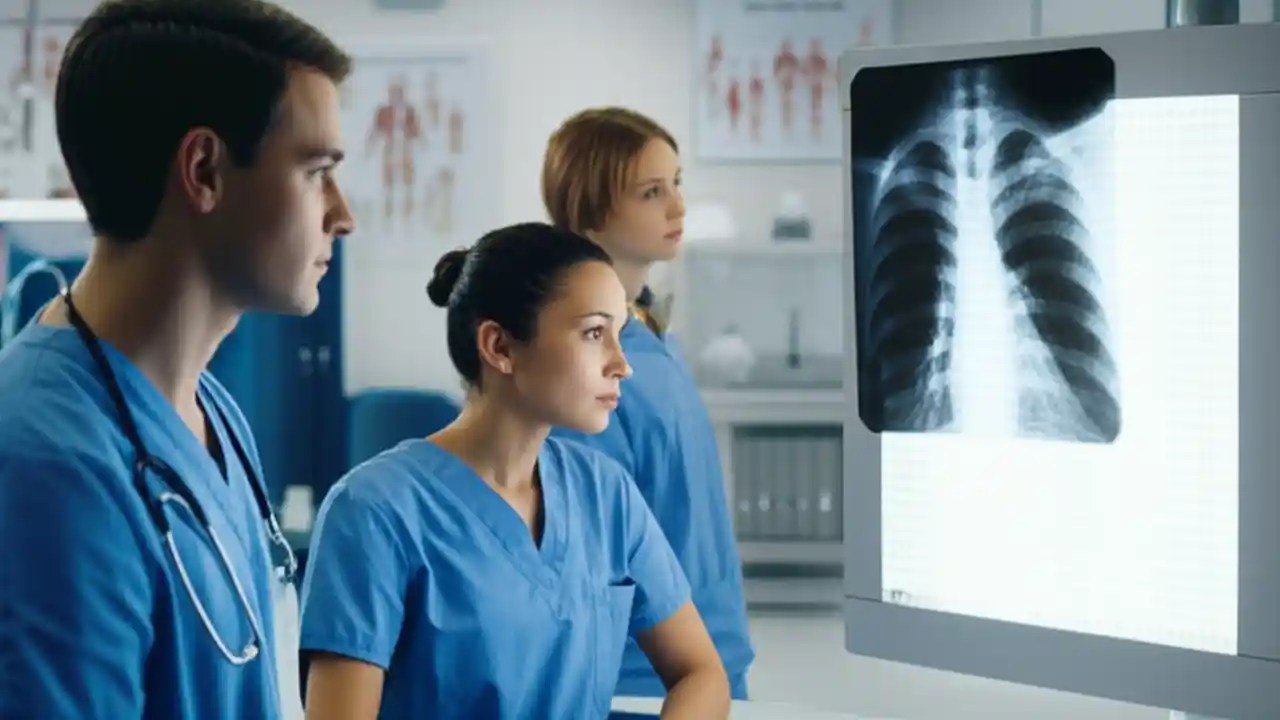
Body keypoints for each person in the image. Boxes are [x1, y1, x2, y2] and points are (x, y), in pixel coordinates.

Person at [0, 1, 354, 718]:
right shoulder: (47, 463)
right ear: (204, 170)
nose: (343, 214)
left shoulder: (209, 411)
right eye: (317, 171)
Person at [298, 222, 731, 719]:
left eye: (620, 333)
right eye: (594, 333)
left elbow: (701, 673)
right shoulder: (373, 511)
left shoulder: (606, 494)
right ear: (499, 347)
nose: (621, 364)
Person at [540, 107, 755, 700]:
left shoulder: (652, 334)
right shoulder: (585, 363)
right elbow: (587, 554)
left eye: (677, 184)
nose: (677, 207)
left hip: (715, 659)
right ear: (591, 210)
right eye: (651, 192)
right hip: (642, 683)